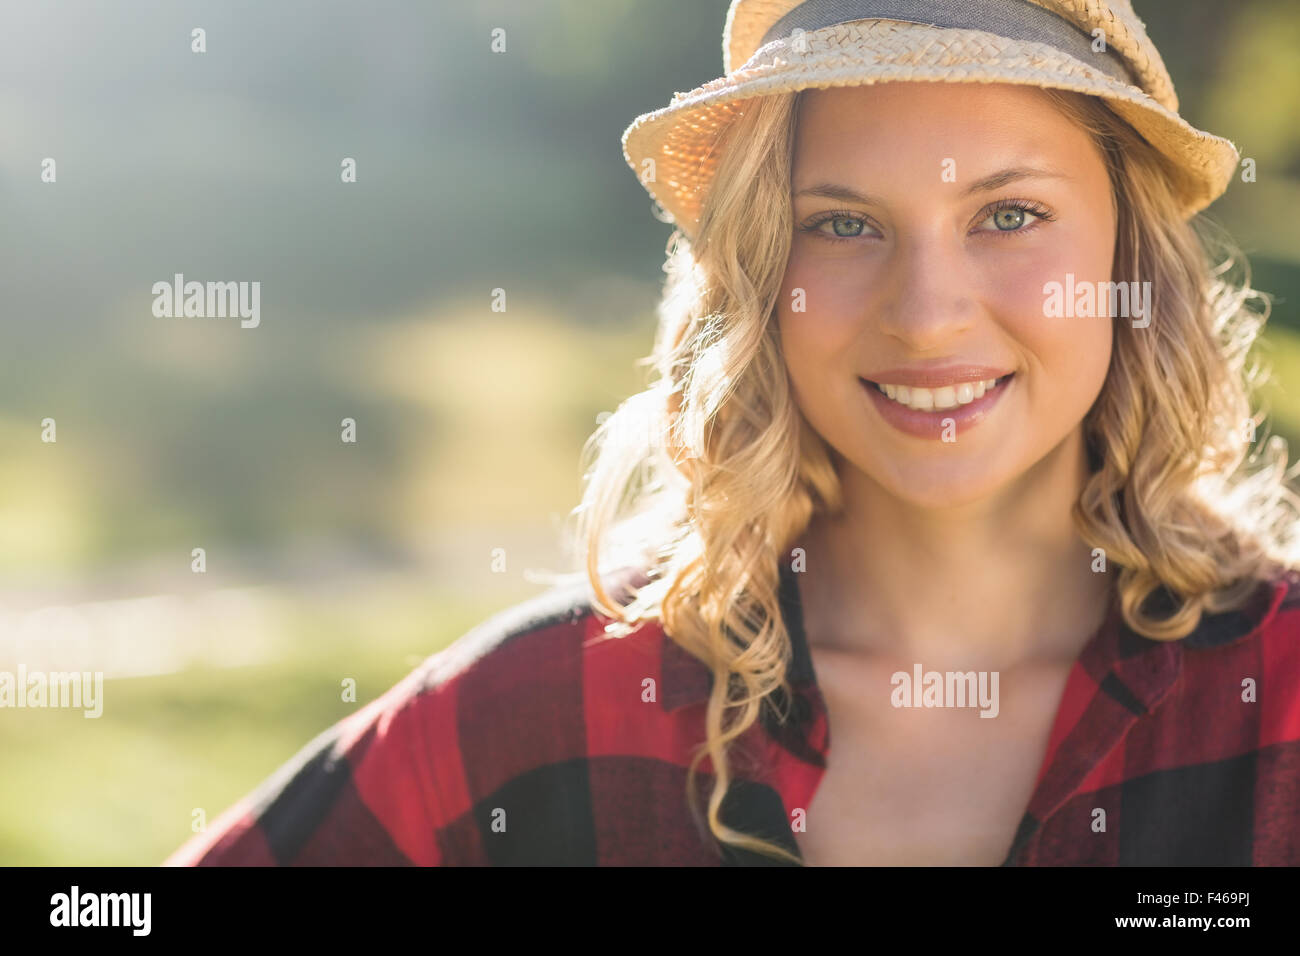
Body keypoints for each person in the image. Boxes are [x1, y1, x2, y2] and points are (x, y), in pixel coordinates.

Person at [166, 0, 1300, 867]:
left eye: (1009, 214)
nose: (926, 310)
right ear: (762, 276)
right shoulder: (553, 707)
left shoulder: (1280, 695)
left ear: (1127, 261)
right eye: (843, 224)